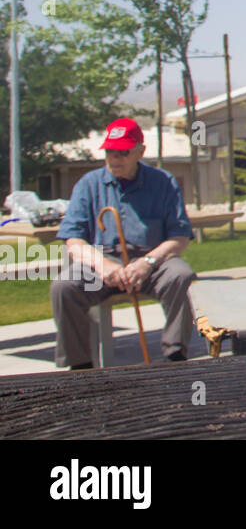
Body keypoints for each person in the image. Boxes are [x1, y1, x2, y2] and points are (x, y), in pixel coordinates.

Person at [51, 118, 195, 368]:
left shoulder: (164, 182)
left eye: (123, 152)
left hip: (152, 262)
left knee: (181, 276)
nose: (115, 158)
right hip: (101, 262)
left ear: (141, 151)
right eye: (110, 152)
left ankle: (175, 357)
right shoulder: (88, 184)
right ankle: (79, 367)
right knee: (64, 287)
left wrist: (147, 263)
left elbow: (180, 238)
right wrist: (103, 265)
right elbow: (73, 241)